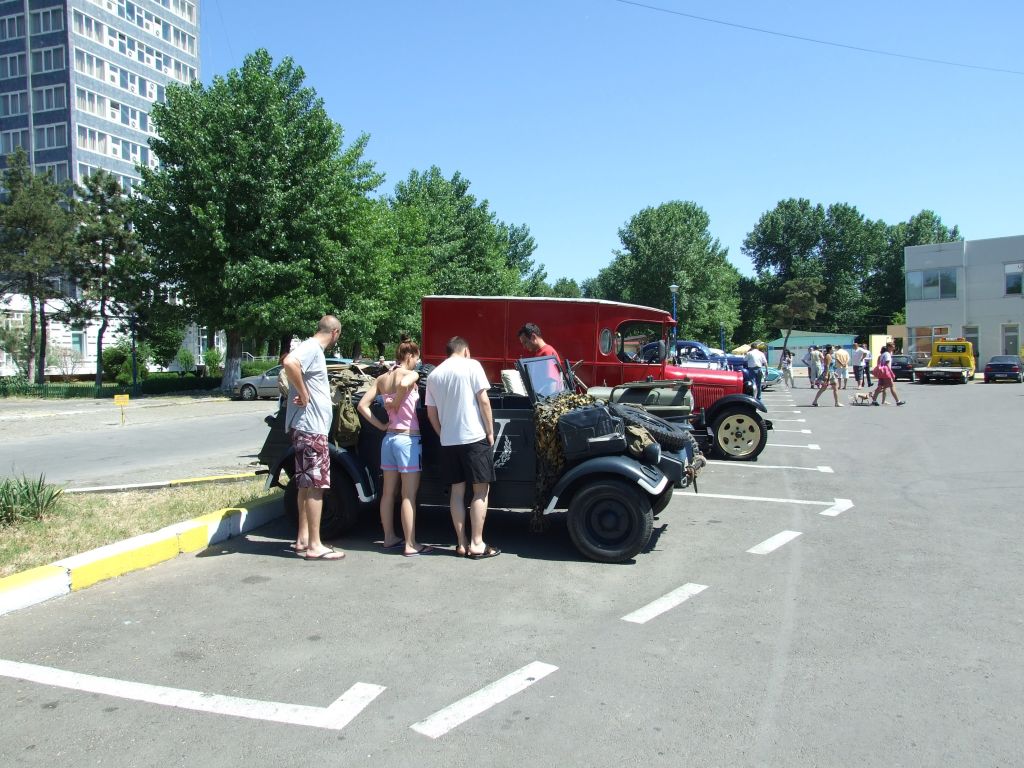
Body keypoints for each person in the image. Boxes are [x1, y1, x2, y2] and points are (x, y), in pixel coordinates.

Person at [425, 337, 500, 560]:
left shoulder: (434, 375)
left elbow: (431, 413)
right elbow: (483, 400)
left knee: (457, 493)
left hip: (449, 441)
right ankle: (477, 543)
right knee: (480, 491)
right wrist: (489, 430)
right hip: (474, 437)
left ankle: (461, 543)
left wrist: (442, 433)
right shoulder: (472, 365)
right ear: (466, 351)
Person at [357, 335, 431, 557]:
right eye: (417, 358)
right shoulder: (410, 373)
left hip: (388, 439)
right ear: (410, 355)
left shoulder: (381, 378)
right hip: (408, 439)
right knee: (408, 495)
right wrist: (398, 401)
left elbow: (362, 405)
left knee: (388, 493)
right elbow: (405, 383)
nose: (418, 362)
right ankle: (410, 543)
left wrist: (380, 424)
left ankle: (389, 537)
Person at [283, 315, 345, 560]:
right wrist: (305, 393)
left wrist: (303, 390)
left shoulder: (311, 348)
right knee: (317, 486)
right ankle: (315, 546)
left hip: (306, 428)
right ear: (335, 332)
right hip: (311, 428)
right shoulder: (311, 348)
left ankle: (303, 538)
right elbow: (289, 363)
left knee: (305, 485)